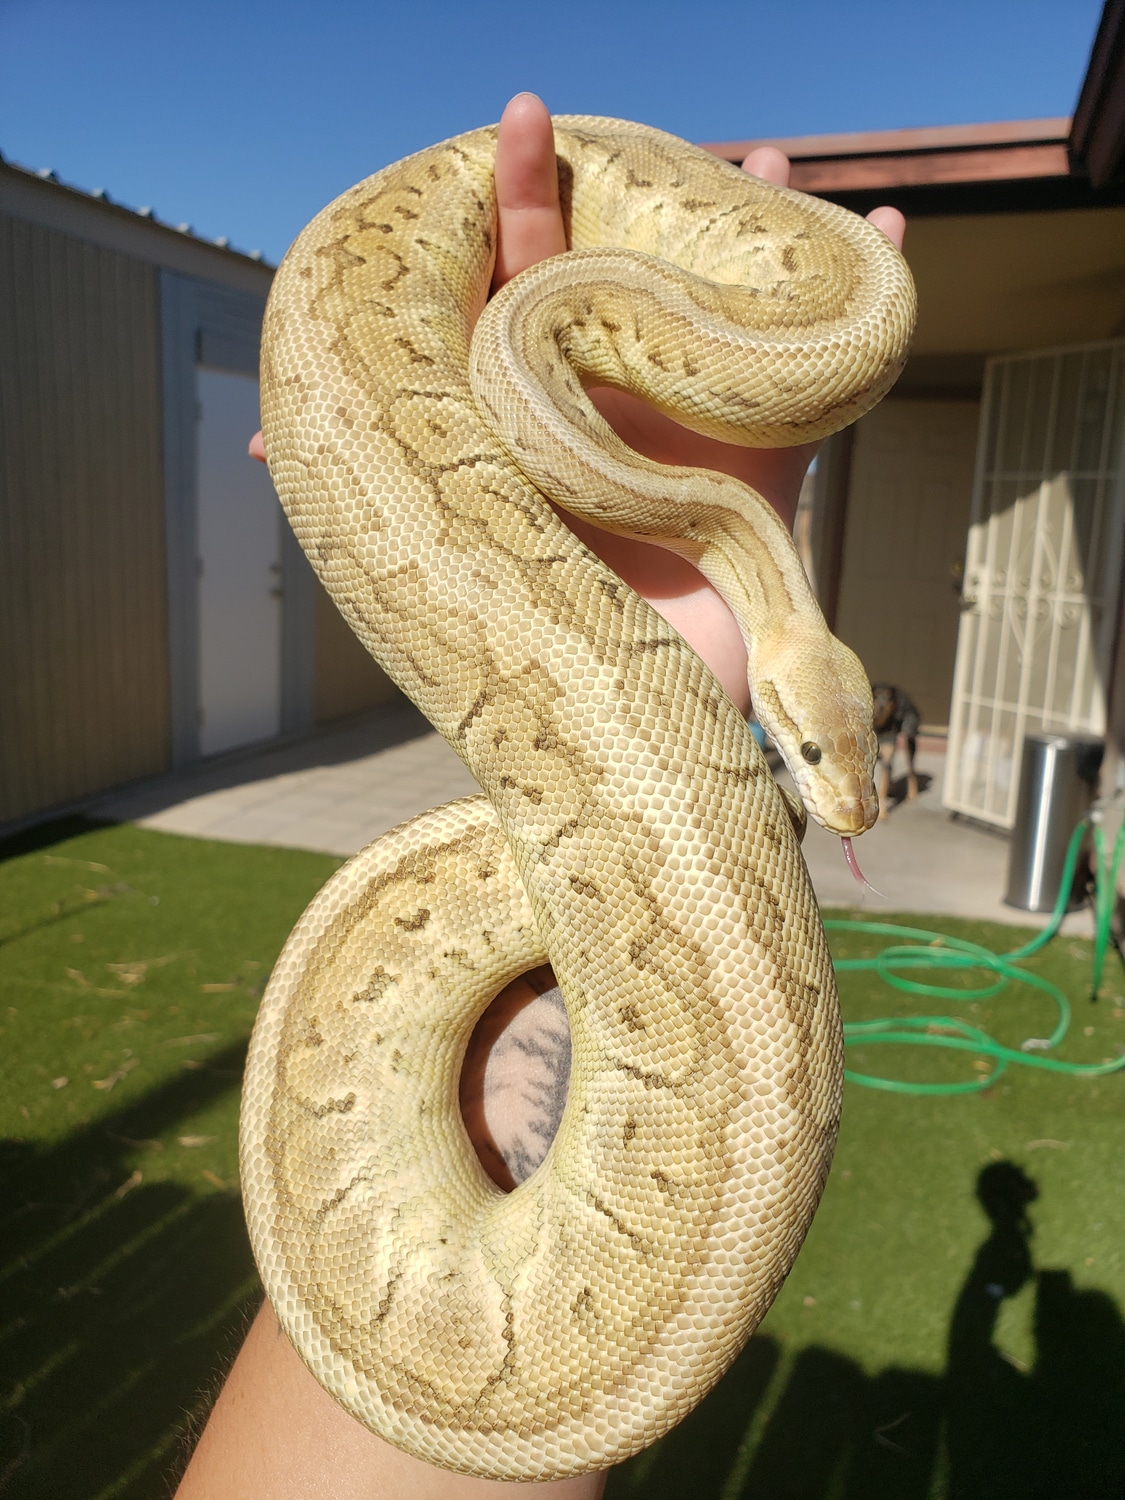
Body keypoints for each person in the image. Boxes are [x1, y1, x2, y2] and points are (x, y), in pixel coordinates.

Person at [176, 92, 906, 1499]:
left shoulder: (748, 576)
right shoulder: (745, 560)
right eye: (818, 757)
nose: (834, 790)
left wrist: (653, 670)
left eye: (821, 759)